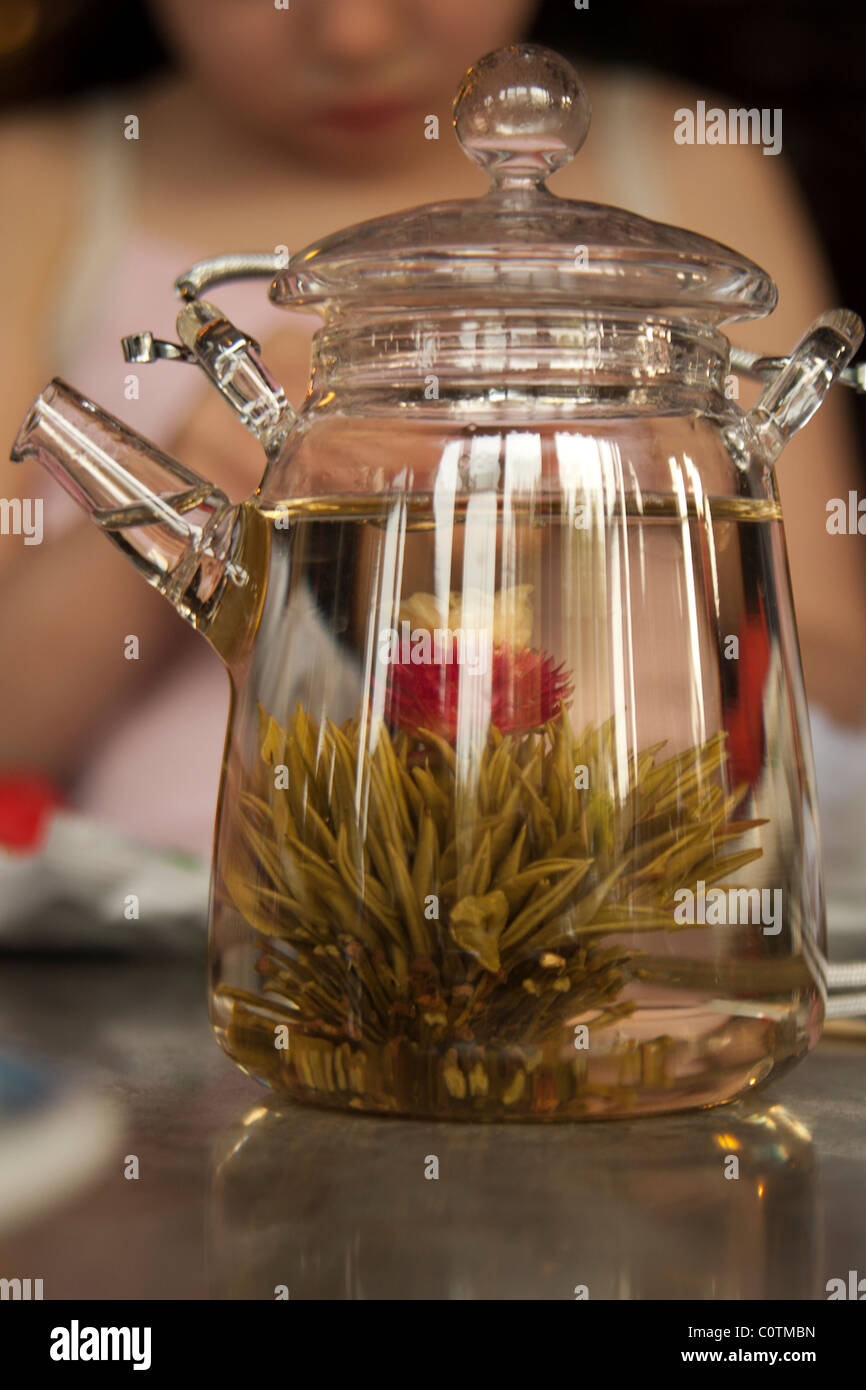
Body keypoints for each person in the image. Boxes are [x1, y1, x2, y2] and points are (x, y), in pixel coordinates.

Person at [0, 0, 864, 876]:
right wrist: (212, 478)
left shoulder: (696, 161)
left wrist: (584, 519)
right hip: (169, 927)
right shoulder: (38, 187)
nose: (354, 36)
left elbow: (832, 678)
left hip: (624, 906)